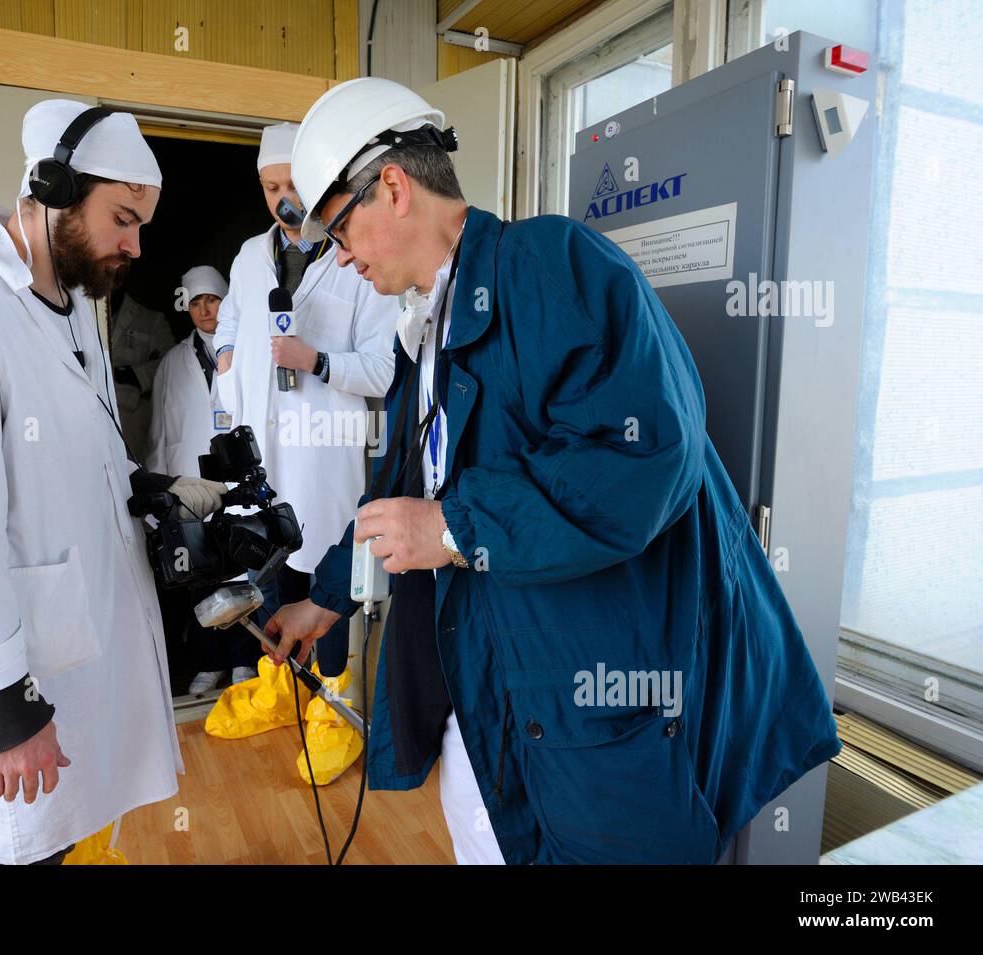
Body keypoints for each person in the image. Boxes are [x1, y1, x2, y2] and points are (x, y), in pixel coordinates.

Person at [265, 77, 843, 864]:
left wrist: (456, 526)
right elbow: (399, 491)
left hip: (591, 705)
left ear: (392, 186)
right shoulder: (424, 331)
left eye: (339, 230)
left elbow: (646, 459)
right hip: (496, 686)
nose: (341, 259)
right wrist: (328, 599)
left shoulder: (550, 265)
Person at [0, 100, 224, 864]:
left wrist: (148, 484)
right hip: (15, 673)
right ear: (55, 188)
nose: (134, 246)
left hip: (75, 650)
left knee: (67, 833)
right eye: (123, 218)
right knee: (27, 848)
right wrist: (1, 702)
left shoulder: (66, 307)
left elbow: (82, 450)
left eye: (142, 226)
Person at [213, 122, 396, 690]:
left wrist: (314, 360)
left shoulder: (354, 256)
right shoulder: (249, 256)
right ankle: (281, 688)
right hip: (260, 452)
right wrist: (224, 355)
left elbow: (384, 369)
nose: (281, 197)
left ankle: (334, 699)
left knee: (325, 575)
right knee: (264, 573)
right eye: (270, 186)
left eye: (292, 182)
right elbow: (231, 321)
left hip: (321, 452)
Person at [147, 265, 258, 694]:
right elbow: (158, 430)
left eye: (212, 299)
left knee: (241, 569)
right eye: (196, 302)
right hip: (191, 482)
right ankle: (211, 662)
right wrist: (161, 489)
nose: (205, 309)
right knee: (201, 570)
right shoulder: (172, 362)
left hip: (235, 478)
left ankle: (244, 660)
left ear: (226, 301)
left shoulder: (247, 350)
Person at [107, 286, 175, 464]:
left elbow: (170, 365)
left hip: (132, 420)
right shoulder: (76, 316)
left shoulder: (152, 320)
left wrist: (131, 373)